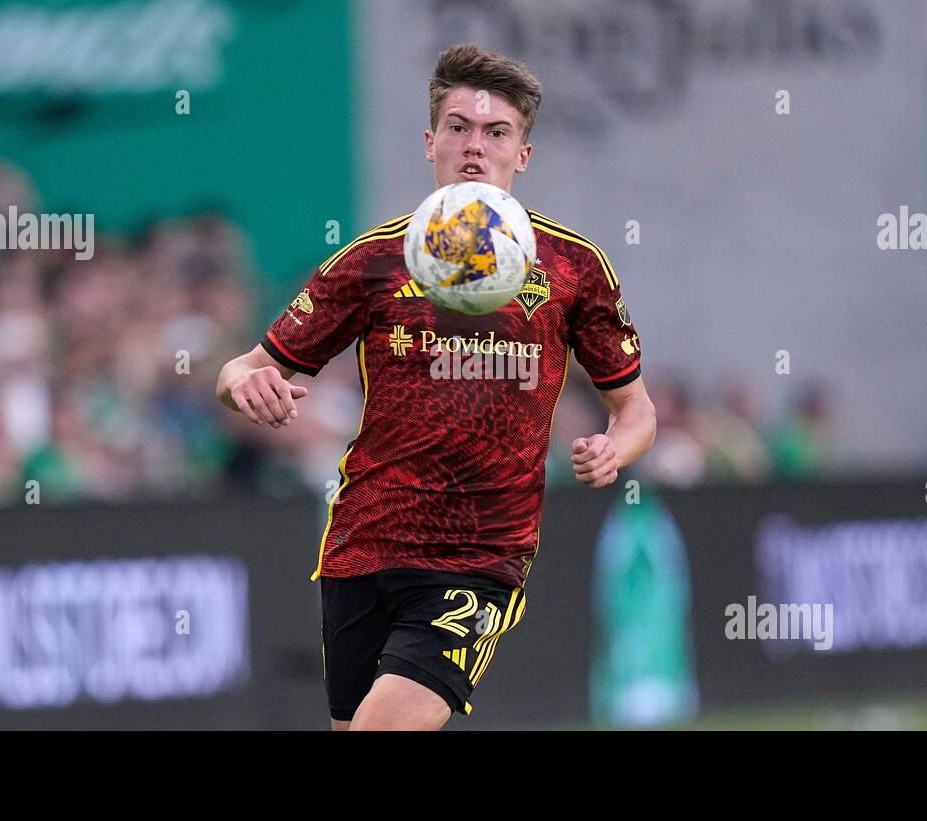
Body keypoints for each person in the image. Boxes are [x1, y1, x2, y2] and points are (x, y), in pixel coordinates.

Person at [215, 44, 656, 730]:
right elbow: (244, 367)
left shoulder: (573, 267)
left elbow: (636, 409)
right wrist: (245, 386)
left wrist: (613, 449)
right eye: (458, 127)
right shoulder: (373, 260)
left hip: (478, 556)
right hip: (361, 546)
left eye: (496, 132)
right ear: (430, 143)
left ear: (523, 154)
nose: (474, 146)